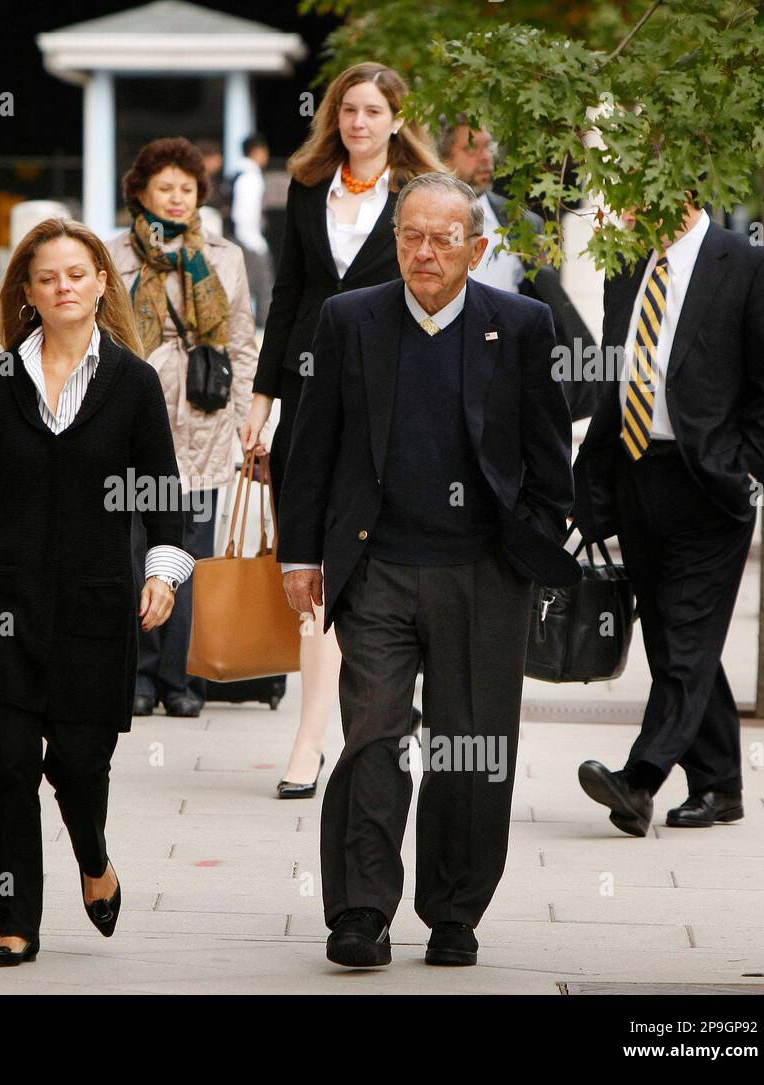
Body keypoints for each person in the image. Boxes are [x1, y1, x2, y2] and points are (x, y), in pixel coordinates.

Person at [279, 172, 578, 969]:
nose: (425, 251)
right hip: (376, 568)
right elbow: (312, 448)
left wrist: (536, 546)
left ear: (476, 249)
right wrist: (302, 555)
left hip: (484, 574)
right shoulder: (350, 320)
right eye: (411, 234)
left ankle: (454, 910)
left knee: (471, 748)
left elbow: (552, 458)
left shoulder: (521, 324)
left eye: (444, 237)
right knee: (372, 736)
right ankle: (360, 911)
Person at [0, 218, 194, 966]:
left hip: (94, 606)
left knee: (78, 764)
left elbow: (162, 496)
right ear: (28, 292)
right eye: (46, 277)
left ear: (101, 283)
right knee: (10, 767)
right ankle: (17, 923)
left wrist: (162, 572)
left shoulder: (133, 383)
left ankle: (93, 856)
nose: (62, 287)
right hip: (2, 605)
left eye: (76, 274)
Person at [240, 62, 443, 798]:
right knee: (312, 566)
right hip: (307, 392)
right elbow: (289, 293)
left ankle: (355, 728)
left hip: (392, 396)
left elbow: (437, 290)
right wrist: (262, 399)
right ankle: (313, 737)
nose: (358, 122)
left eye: (372, 111)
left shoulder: (421, 196)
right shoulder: (304, 187)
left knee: (370, 562)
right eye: (348, 109)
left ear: (396, 118)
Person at [573, 197, 764, 836]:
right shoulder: (626, 267)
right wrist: (590, 486)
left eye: (634, 192)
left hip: (714, 482)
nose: (620, 209)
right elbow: (614, 382)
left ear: (681, 191)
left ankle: (639, 779)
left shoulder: (754, 266)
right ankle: (719, 784)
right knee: (673, 636)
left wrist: (749, 472)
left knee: (686, 637)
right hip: (638, 473)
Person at [107, 137, 258, 718]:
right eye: (164, 188)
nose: (175, 199)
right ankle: (139, 673)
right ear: (140, 192)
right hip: (135, 417)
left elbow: (242, 344)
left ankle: (183, 678)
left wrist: (246, 419)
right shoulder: (113, 255)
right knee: (135, 546)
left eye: (186, 189)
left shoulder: (223, 256)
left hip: (205, 420)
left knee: (191, 551)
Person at [437, 121, 600, 421]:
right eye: (473, 148)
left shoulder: (523, 223)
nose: (486, 157)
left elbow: (542, 307)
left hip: (501, 383)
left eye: (489, 147)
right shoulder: (422, 221)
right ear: (445, 158)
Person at [232, 133, 274, 327]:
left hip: (244, 237)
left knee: (247, 285)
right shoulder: (249, 176)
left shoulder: (239, 173)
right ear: (256, 152)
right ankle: (261, 326)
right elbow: (244, 212)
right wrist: (255, 241)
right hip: (248, 238)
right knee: (261, 285)